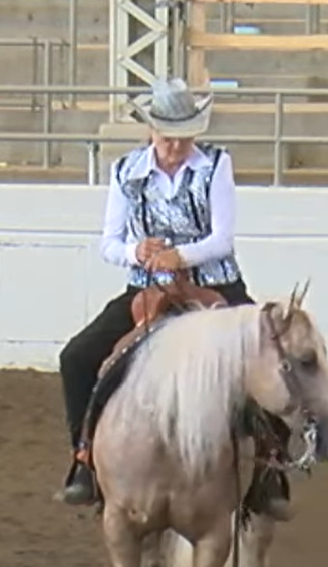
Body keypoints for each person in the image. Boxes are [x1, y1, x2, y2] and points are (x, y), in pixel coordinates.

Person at [54, 76, 293, 520]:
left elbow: (221, 239)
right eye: (168, 137)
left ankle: (270, 467)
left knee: (270, 357)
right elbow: (109, 242)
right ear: (152, 130)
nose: (176, 146)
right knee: (76, 357)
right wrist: (136, 252)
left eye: (185, 138)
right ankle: (84, 457)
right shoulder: (125, 171)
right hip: (147, 289)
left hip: (217, 284)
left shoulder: (216, 165)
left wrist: (177, 255)